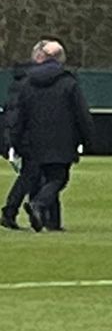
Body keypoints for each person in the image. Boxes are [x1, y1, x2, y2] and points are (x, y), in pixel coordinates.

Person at [8, 40, 90, 231]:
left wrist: (14, 140)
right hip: (63, 140)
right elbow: (81, 114)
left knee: (40, 177)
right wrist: (87, 139)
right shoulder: (68, 83)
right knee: (58, 178)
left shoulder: (27, 83)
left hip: (34, 140)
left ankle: (50, 221)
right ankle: (39, 205)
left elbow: (19, 115)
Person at [1, 43, 49, 229]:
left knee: (32, 174)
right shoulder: (29, 82)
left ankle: (22, 212)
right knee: (31, 174)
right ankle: (11, 211)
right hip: (29, 137)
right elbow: (16, 113)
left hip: (25, 135)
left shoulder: (22, 81)